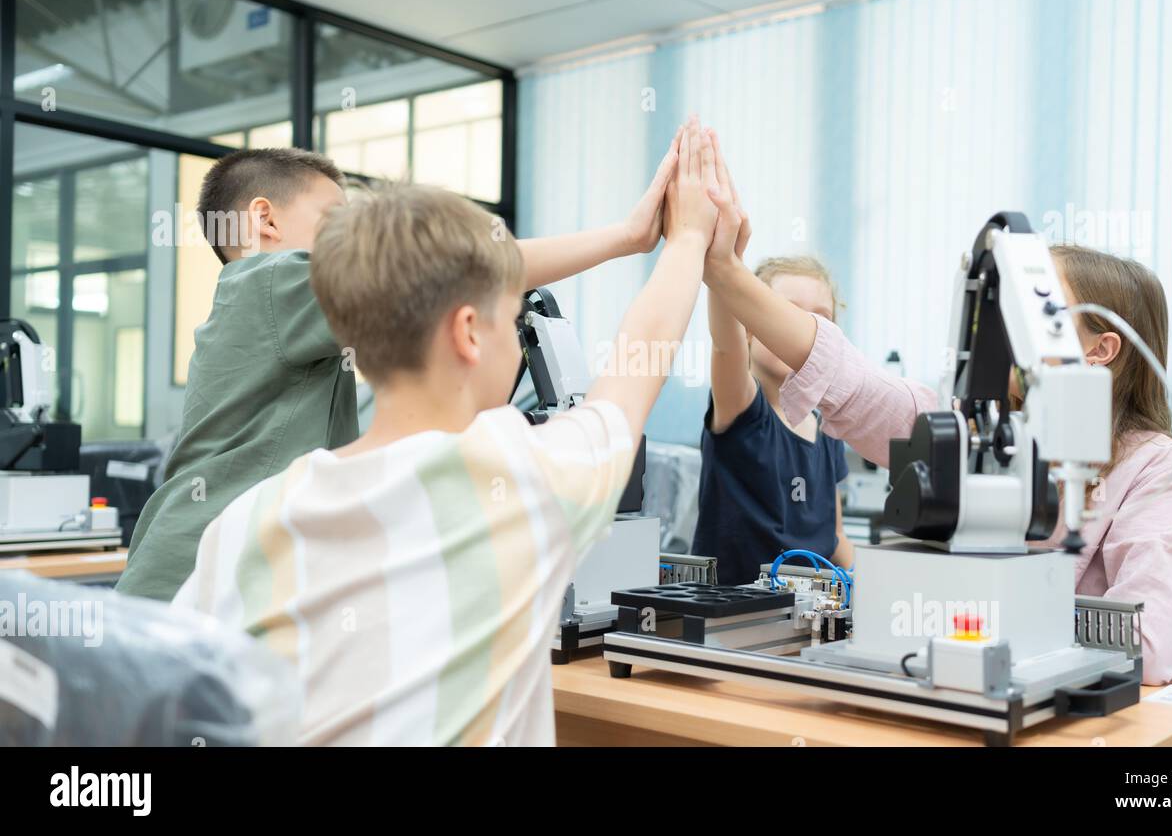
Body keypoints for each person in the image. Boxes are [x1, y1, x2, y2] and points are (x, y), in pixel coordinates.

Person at [172, 120, 726, 744]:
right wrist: (687, 240)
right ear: (468, 333)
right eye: (510, 316)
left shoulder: (238, 526)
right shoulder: (518, 480)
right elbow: (633, 372)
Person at [120, 141, 683, 601]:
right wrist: (625, 239)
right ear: (263, 220)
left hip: (219, 570)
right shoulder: (267, 282)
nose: (350, 244)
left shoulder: (278, 314)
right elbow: (463, 269)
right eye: (333, 222)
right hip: (187, 575)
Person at [704, 229, 1172, 685]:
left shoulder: (1163, 471)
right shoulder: (972, 428)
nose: (1005, 324)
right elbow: (846, 379)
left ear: (1101, 348)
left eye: (1035, 311)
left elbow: (1149, 646)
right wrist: (725, 271)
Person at [691, 134, 850, 584]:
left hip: (810, 617)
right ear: (749, 321)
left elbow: (835, 540)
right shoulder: (742, 407)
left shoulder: (828, 425)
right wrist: (725, 264)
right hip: (737, 618)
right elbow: (725, 344)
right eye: (785, 315)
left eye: (819, 320)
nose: (799, 331)